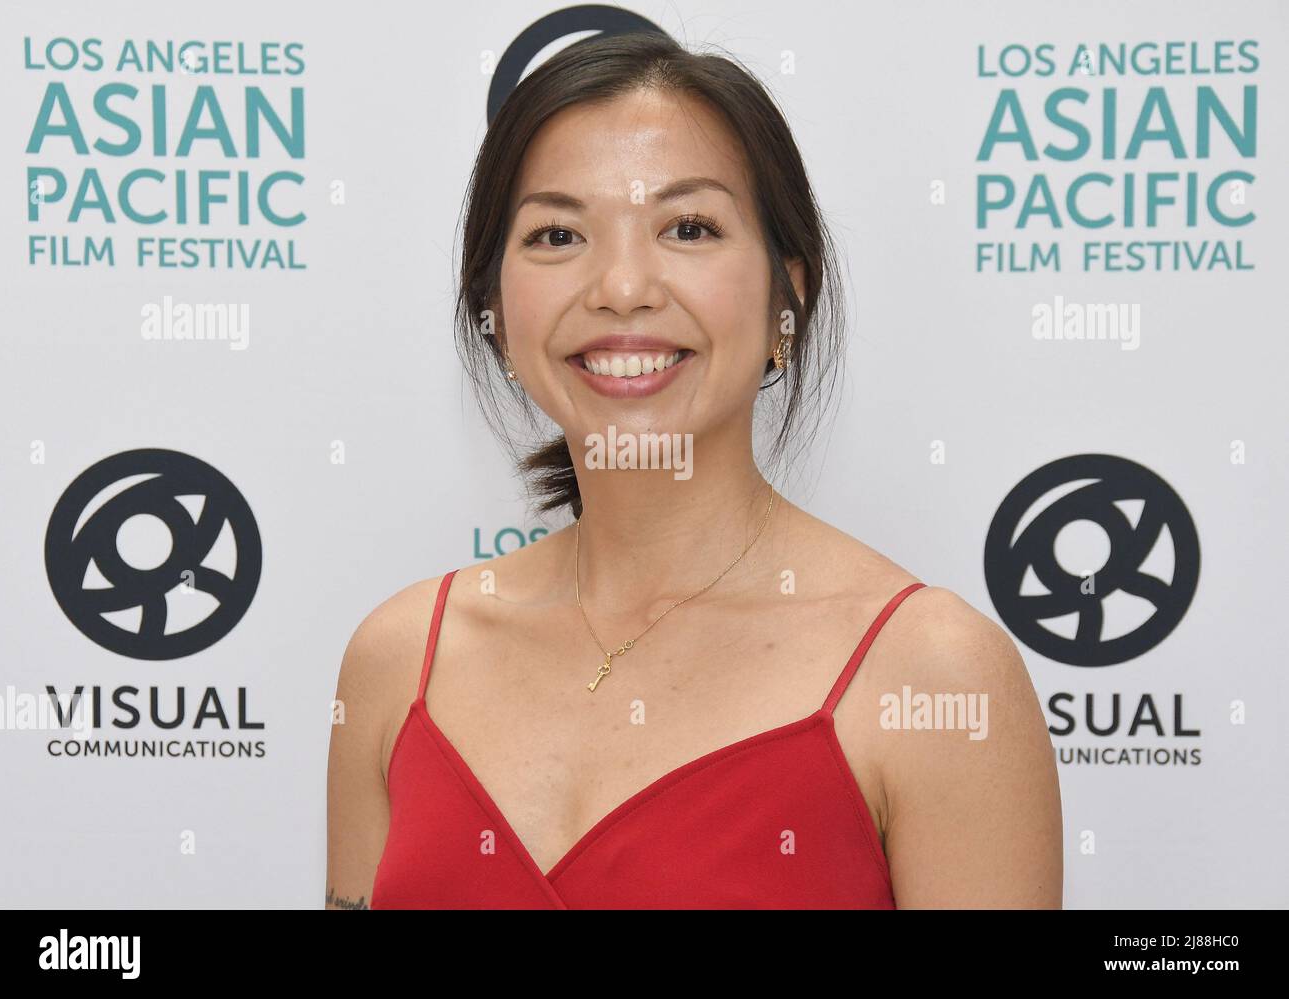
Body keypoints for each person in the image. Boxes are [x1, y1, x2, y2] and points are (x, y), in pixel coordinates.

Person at [326, 32, 1061, 909]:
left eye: (689, 227)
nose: (623, 285)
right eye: (558, 233)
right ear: (495, 304)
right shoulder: (400, 659)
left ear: (787, 294)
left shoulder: (933, 674)